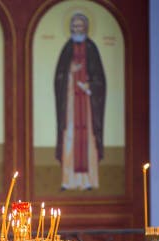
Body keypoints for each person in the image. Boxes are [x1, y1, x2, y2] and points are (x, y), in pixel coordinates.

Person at [54, 13, 106, 191]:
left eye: (80, 26)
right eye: (74, 27)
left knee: (88, 139)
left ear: (86, 28)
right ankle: (68, 181)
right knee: (69, 138)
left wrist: (89, 86)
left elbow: (100, 78)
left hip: (88, 105)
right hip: (70, 104)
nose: (77, 30)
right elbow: (58, 78)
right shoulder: (66, 49)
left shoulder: (92, 48)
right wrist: (70, 72)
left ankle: (89, 181)